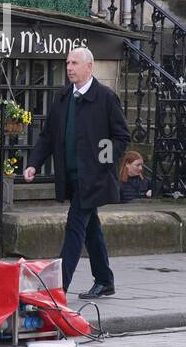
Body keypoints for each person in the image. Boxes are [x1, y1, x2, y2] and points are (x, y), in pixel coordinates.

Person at [23, 47, 130, 296]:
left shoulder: (105, 97)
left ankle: (58, 288)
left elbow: (121, 136)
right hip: (71, 176)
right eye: (68, 63)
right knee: (90, 227)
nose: (69, 67)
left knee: (74, 227)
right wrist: (33, 164)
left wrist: (102, 160)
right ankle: (105, 279)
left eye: (74, 63)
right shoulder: (62, 98)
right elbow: (48, 136)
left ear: (89, 67)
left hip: (92, 178)